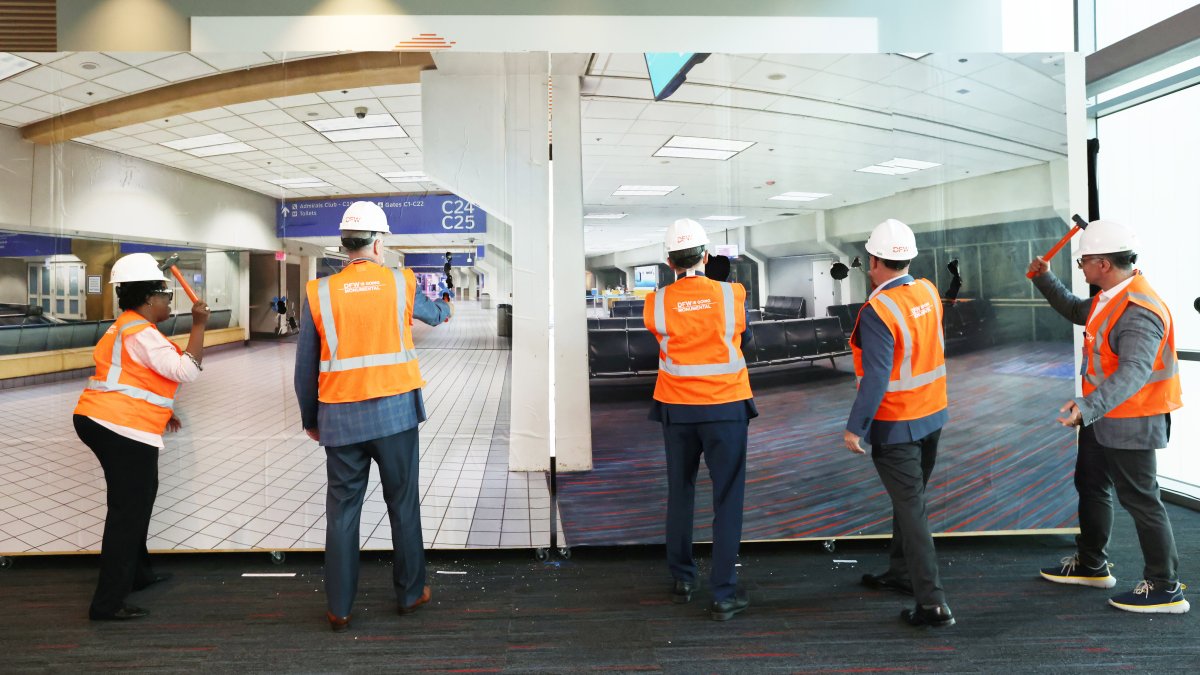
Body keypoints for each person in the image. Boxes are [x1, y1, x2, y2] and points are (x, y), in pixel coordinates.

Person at [294, 201, 454, 632]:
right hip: (395, 415)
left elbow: (305, 365)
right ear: (378, 243)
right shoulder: (400, 283)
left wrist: (312, 418)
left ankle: (339, 608)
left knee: (342, 512)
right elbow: (435, 315)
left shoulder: (318, 292)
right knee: (402, 505)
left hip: (340, 420)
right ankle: (409, 593)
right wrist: (448, 304)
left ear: (345, 245)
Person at [1029, 219, 1187, 614]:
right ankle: (1091, 563)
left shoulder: (1138, 309)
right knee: (1091, 483)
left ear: (1102, 263)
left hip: (1134, 418)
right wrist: (1045, 279)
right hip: (1104, 417)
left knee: (1141, 500)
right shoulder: (1110, 296)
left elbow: (1134, 371)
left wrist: (1087, 406)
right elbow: (1076, 309)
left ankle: (1166, 588)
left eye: (1083, 261)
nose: (1080, 268)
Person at [73, 252, 210, 620]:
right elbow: (187, 370)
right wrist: (199, 325)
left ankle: (138, 575)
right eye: (165, 295)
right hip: (117, 427)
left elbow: (135, 380)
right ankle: (107, 604)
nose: (169, 301)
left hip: (109, 421)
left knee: (140, 498)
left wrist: (165, 413)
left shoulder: (128, 327)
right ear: (149, 298)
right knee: (126, 513)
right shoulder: (141, 333)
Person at [643, 218, 756, 621]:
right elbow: (741, 337)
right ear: (706, 256)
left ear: (669, 261)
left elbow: (665, 337)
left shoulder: (655, 303)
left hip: (677, 407)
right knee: (727, 497)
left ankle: (683, 579)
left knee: (681, 490)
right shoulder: (732, 296)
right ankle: (724, 593)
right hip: (726, 407)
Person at [844, 218, 953, 628]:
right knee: (910, 499)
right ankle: (902, 572)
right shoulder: (926, 290)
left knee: (911, 507)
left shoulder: (878, 310)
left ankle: (932, 603)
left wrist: (856, 427)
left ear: (874, 261)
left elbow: (876, 377)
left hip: (896, 423)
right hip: (932, 414)